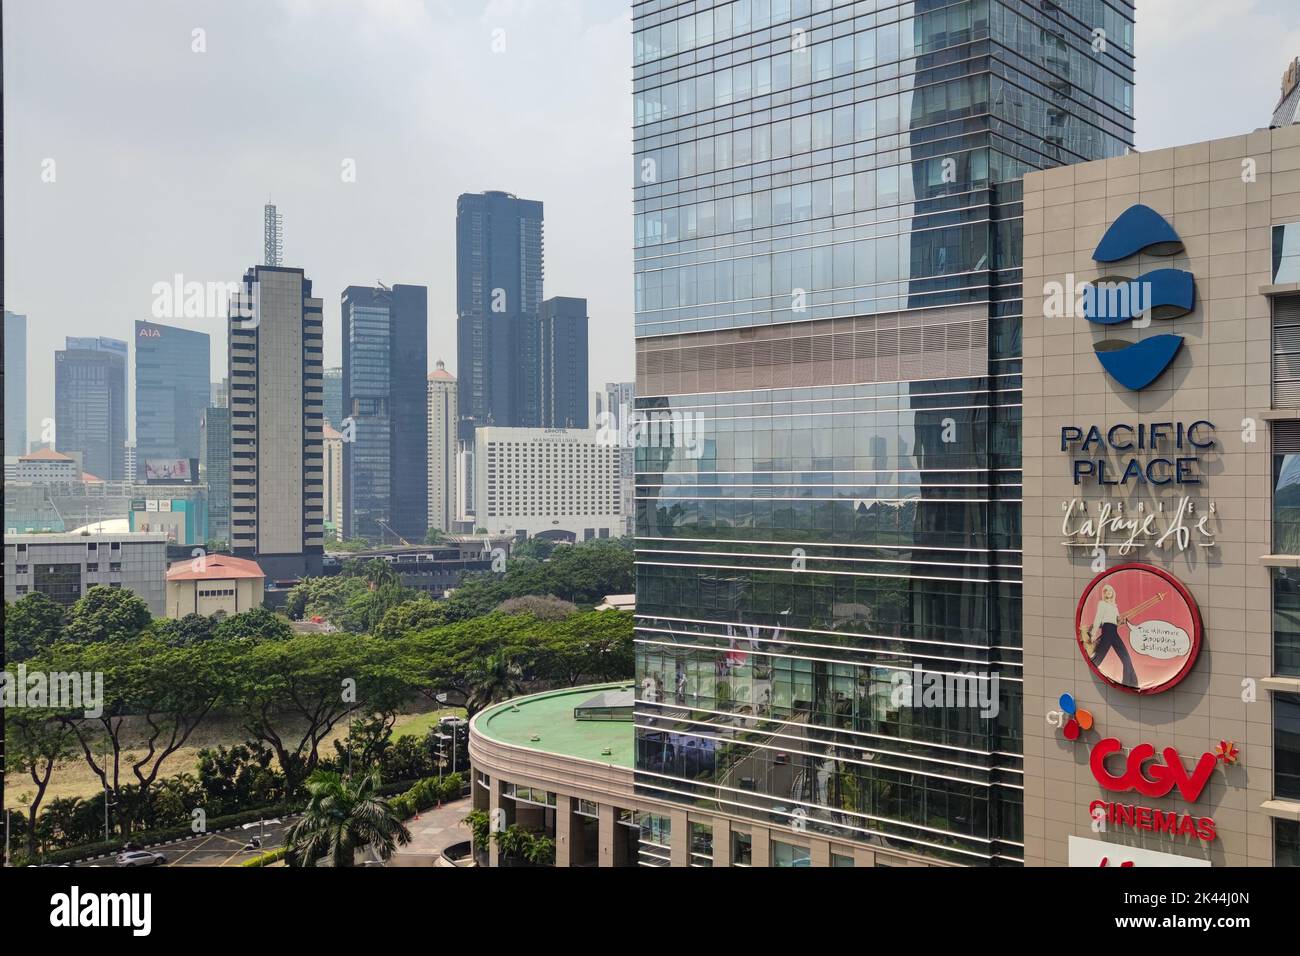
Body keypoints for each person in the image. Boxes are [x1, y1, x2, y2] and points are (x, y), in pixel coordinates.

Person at [1083, 583, 1138, 687]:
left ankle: (1130, 683)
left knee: (1126, 657)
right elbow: (1098, 619)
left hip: (1114, 632)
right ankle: (1087, 672)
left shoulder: (1114, 606)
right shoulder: (1102, 604)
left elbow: (1116, 621)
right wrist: (1093, 634)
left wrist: (1123, 621)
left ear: (1113, 592)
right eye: (1106, 591)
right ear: (1104, 594)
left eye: (1110, 591)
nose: (1108, 592)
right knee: (1098, 657)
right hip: (1107, 631)